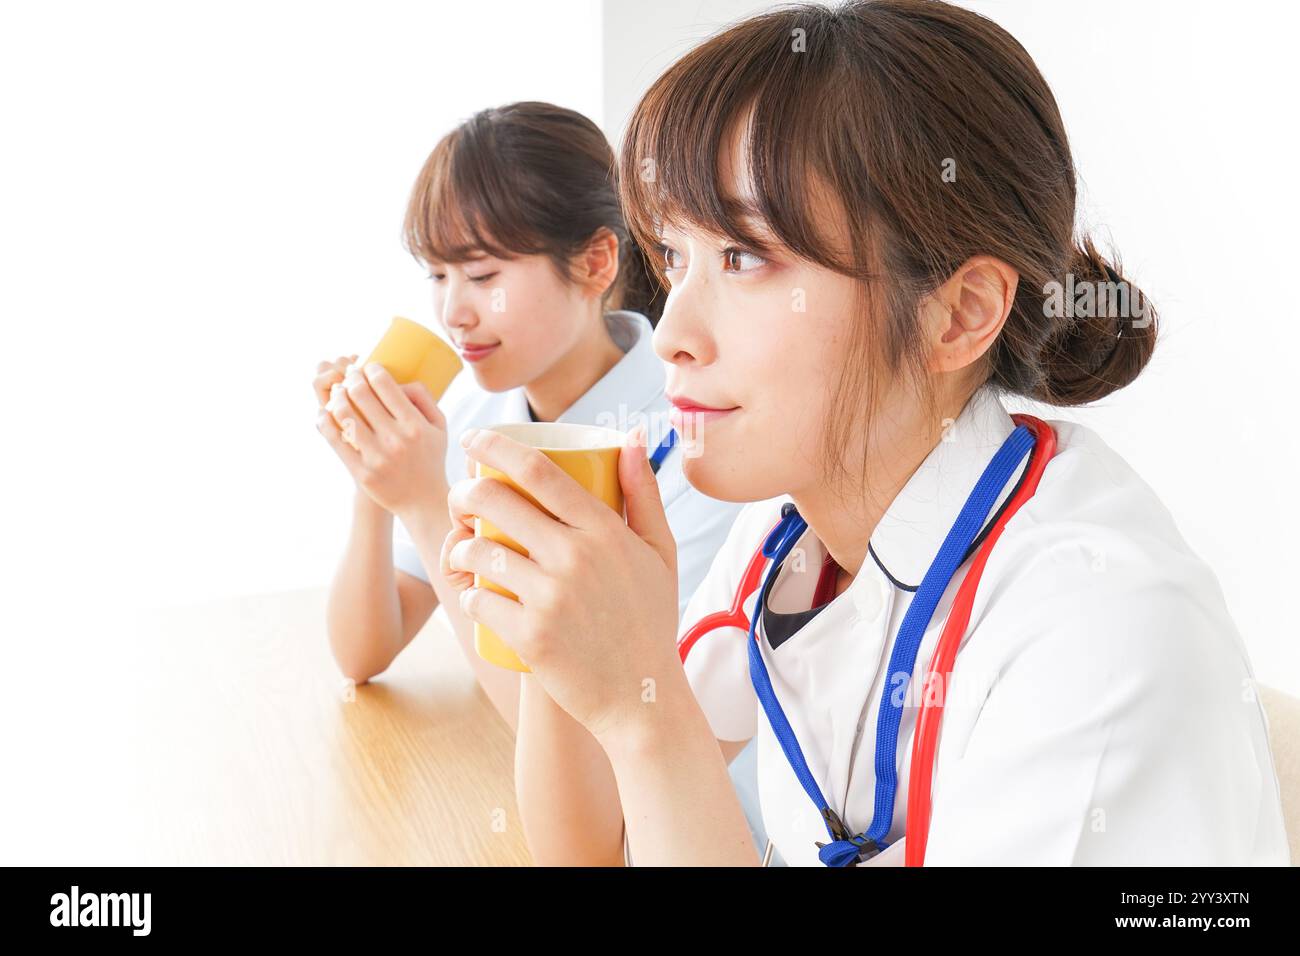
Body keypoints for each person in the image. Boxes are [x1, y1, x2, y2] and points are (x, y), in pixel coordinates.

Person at [437, 1, 1290, 865]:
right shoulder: (787, 538)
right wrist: (560, 635)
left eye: (744, 257)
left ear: (958, 314)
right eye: (672, 257)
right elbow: (594, 845)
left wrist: (641, 710)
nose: (671, 335)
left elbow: (642, 762)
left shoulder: (1098, 633)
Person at [312, 101, 746, 740]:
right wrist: (376, 482)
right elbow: (362, 653)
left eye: (482, 275)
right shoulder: (475, 417)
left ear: (596, 264)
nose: (454, 313)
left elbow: (611, 736)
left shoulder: (698, 439)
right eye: (438, 275)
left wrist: (426, 503)